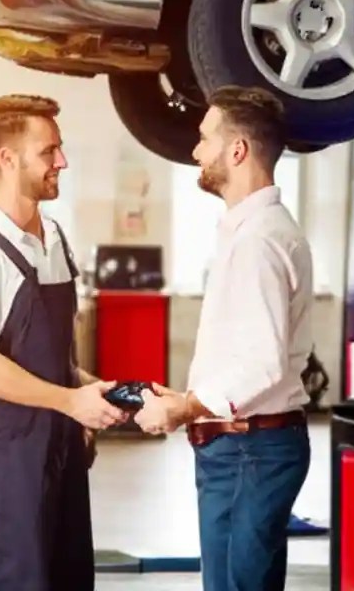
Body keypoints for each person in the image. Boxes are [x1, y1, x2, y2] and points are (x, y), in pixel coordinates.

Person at [0, 93, 126, 591]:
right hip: (9, 448)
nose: (61, 161)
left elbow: (54, 351)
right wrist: (70, 401)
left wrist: (91, 392)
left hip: (62, 439)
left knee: (67, 574)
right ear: (7, 158)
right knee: (20, 576)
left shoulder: (56, 237)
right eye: (49, 151)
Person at [133, 85, 314, 591]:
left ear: (237, 151)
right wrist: (189, 399)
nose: (195, 152)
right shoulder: (250, 230)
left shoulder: (258, 240)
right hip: (244, 446)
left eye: (204, 139)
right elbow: (245, 349)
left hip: (248, 450)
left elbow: (263, 363)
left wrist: (187, 407)